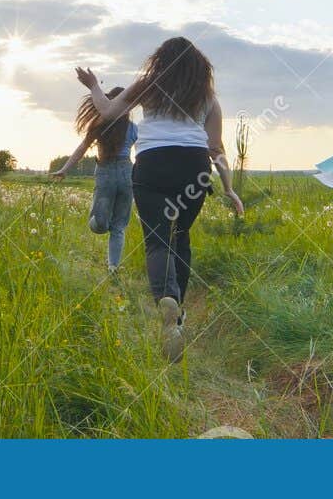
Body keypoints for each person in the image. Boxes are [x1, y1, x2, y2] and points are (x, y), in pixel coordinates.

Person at [76, 39, 242, 362]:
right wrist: (228, 188)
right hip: (194, 168)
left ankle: (166, 298)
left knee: (157, 242)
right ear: (199, 68)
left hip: (152, 166)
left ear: (159, 61)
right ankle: (178, 314)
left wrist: (95, 85)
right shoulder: (207, 97)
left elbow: (108, 111)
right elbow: (217, 150)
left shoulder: (149, 86)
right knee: (181, 237)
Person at [52, 87, 137, 272]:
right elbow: (144, 151)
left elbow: (82, 148)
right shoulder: (131, 128)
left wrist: (65, 169)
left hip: (107, 172)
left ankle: (112, 265)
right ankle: (113, 266)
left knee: (101, 224)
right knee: (118, 226)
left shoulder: (100, 124)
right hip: (126, 173)